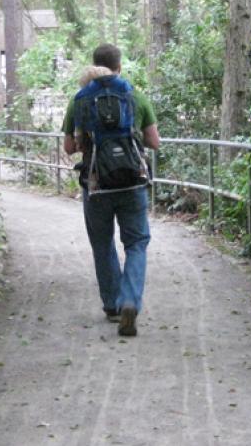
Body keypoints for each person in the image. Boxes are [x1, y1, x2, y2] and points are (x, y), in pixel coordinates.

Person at [63, 44, 160, 337]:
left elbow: (69, 148)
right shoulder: (135, 96)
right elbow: (154, 142)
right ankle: (130, 299)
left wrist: (89, 141)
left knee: (103, 243)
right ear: (119, 66)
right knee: (136, 242)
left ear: (95, 65)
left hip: (96, 185)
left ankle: (112, 306)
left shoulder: (79, 100)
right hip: (132, 182)